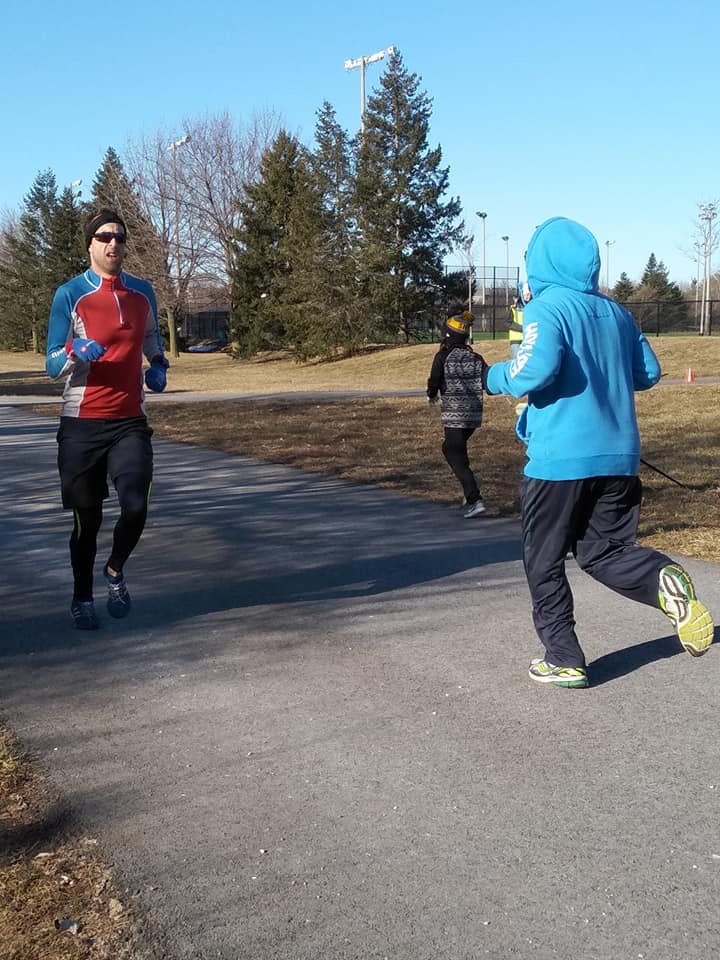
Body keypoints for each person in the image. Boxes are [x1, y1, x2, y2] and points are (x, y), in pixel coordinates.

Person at [484, 216, 714, 688]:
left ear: (539, 262)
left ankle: (563, 656)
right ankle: (663, 581)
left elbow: (532, 370)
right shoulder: (617, 313)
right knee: (604, 551)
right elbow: (648, 372)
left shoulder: (546, 309)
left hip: (558, 462)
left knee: (543, 559)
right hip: (620, 459)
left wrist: (494, 378)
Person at [46, 208, 169, 630]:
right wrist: (74, 351)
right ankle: (82, 596)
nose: (113, 243)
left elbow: (151, 335)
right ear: (90, 244)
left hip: (129, 420)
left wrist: (158, 364)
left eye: (119, 236)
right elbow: (49, 364)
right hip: (81, 424)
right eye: (104, 237)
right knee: (88, 520)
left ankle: (115, 571)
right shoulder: (70, 295)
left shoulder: (143, 292)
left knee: (136, 504)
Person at [427, 312, 487, 518]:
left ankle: (474, 498)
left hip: (454, 414)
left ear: (448, 336)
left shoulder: (443, 356)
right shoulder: (475, 357)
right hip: (473, 415)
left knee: (453, 453)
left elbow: (434, 379)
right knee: (452, 449)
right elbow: (487, 380)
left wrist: (431, 395)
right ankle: (469, 480)